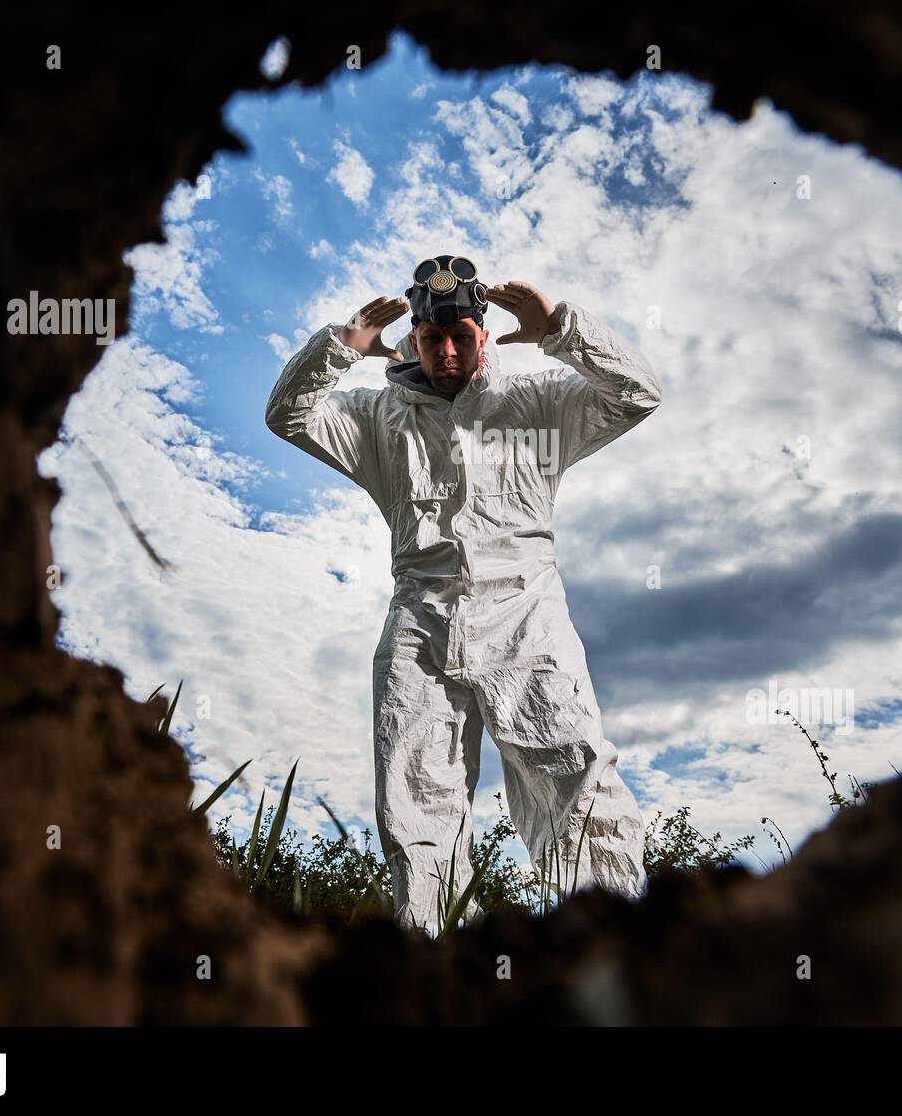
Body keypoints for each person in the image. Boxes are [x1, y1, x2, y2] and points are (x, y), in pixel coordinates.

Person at [264, 254, 662, 937]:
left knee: (577, 782)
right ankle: (437, 969)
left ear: (484, 333)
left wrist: (562, 330)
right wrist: (337, 349)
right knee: (417, 807)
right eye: (431, 338)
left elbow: (638, 394)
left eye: (463, 336)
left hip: (527, 617)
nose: (448, 352)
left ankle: (615, 955)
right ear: (412, 338)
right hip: (420, 624)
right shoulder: (377, 419)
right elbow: (288, 416)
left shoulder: (537, 403)